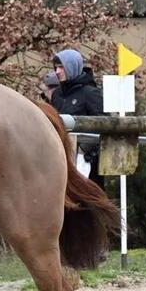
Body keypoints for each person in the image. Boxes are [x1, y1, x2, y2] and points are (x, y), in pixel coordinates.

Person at [49, 48, 105, 188]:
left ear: (71, 67)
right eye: (56, 67)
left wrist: (89, 150)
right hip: (60, 156)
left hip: (85, 161)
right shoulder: (57, 94)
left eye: (61, 67)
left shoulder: (90, 93)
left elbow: (103, 124)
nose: (57, 71)